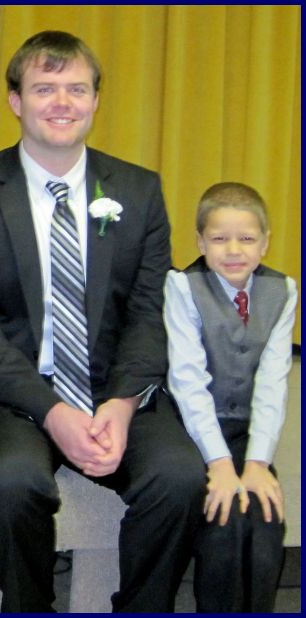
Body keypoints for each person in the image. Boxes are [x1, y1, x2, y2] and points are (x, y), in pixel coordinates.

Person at [0, 30, 207, 612]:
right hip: (2, 392)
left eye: (76, 88)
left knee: (179, 478)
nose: (61, 102)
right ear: (15, 101)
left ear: (96, 100)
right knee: (10, 484)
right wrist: (54, 413)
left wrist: (124, 403)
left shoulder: (138, 189)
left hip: (111, 386)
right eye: (44, 87)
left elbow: (150, 311)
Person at [164, 182, 297, 612]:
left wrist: (257, 463)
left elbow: (273, 383)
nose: (234, 250)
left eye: (247, 238)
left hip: (246, 429)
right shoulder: (182, 287)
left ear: (266, 242)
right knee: (223, 516)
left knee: (263, 515)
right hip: (191, 428)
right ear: (200, 241)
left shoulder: (283, 290)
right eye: (219, 239)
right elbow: (188, 381)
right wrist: (220, 465)